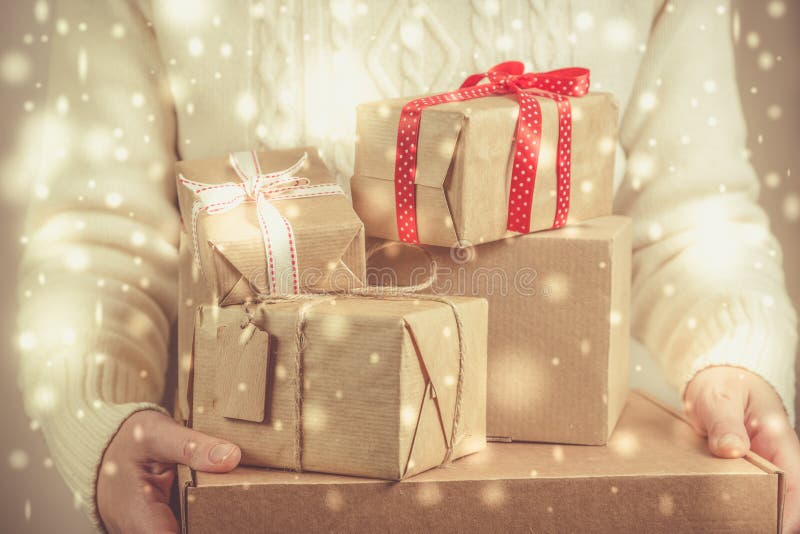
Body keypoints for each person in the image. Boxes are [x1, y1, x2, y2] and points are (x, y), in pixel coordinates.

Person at [15, 1, 798, 532]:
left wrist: (736, 359)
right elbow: (100, 229)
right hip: (257, 470)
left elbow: (692, 221)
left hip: (572, 485)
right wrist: (103, 414)